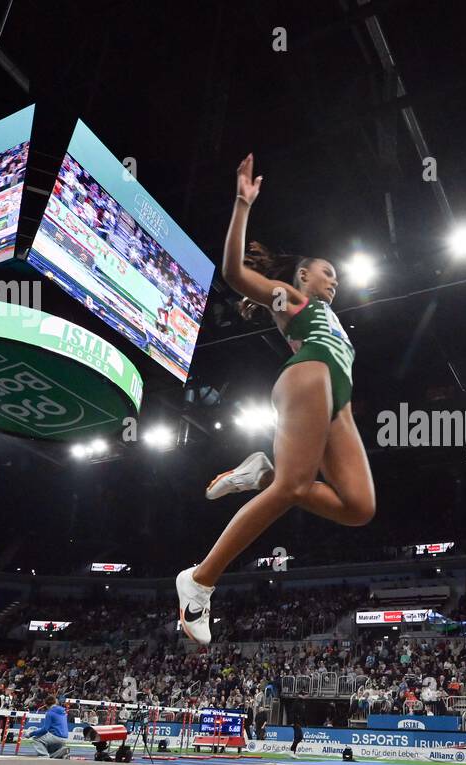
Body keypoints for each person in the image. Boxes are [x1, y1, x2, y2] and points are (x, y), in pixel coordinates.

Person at [176, 154, 375, 644]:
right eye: (327, 271)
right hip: (308, 379)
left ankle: (266, 470)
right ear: (303, 276)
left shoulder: (329, 316)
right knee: (291, 490)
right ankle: (199, 581)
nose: (335, 279)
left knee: (358, 508)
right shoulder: (293, 297)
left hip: (339, 400)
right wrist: (243, 205)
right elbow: (235, 275)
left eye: (337, 276)